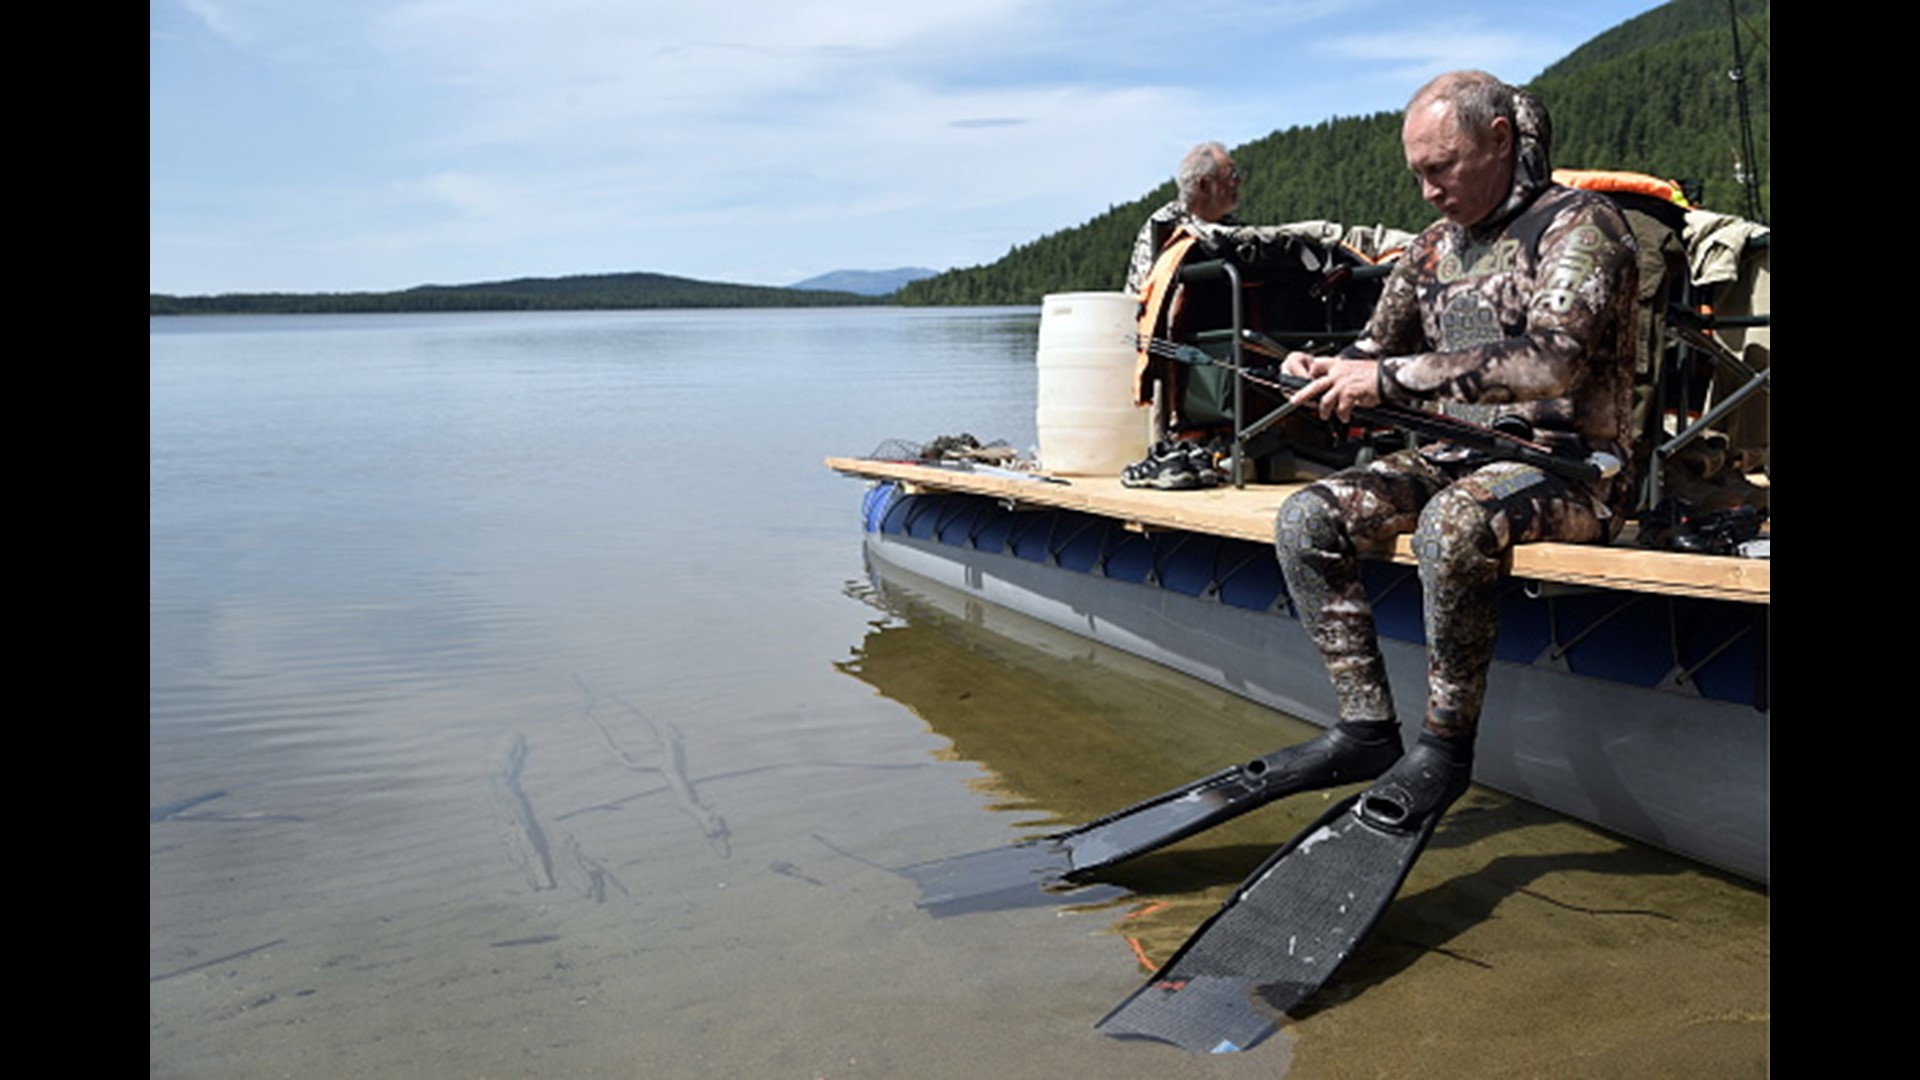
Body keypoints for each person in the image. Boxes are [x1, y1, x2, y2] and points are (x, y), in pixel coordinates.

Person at [1267, 71, 1641, 819]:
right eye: (1418, 174)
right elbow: (1373, 349)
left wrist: (1385, 378)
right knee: (1305, 518)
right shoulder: (1432, 248)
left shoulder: (1581, 225)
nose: (1429, 191)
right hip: (1454, 457)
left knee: (1453, 524)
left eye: (1441, 168)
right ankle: (1366, 729)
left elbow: (1551, 361)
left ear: (1499, 140)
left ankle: (1443, 748)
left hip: (1571, 470)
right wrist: (1319, 370)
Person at [1124, 142, 1241, 296]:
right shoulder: (1163, 225)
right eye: (1231, 176)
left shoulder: (1232, 225)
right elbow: (1142, 293)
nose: (1238, 182)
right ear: (1204, 185)